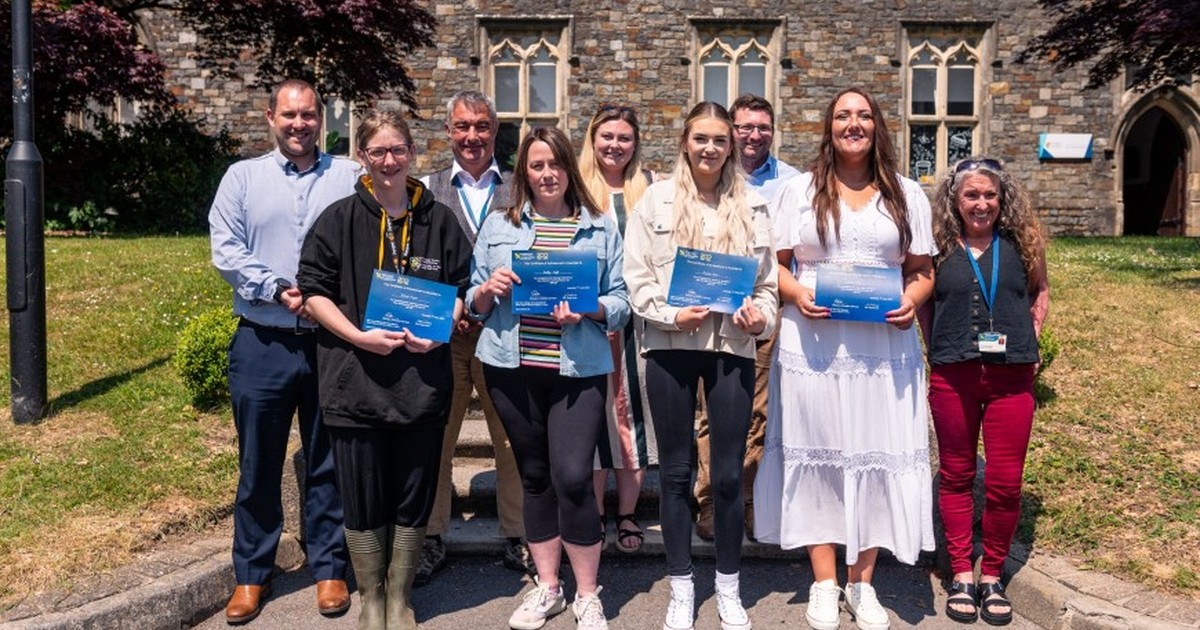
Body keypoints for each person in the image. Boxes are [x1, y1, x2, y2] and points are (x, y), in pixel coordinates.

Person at [753, 87, 937, 630]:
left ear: (877, 126)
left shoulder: (906, 195)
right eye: (842, 116)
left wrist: (911, 300)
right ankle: (825, 581)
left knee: (876, 452)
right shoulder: (798, 190)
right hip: (813, 348)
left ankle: (862, 583)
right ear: (828, 128)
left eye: (862, 115)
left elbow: (923, 270)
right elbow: (776, 263)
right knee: (819, 453)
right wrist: (794, 294)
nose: (852, 124)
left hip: (883, 351)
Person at [296, 110, 471, 630]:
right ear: (362, 158)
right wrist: (356, 337)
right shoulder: (337, 219)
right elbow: (312, 293)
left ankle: (400, 598)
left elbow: (461, 289)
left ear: (413, 153)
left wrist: (440, 329)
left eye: (397, 150)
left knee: (413, 496)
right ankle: (372, 598)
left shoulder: (439, 220)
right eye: (378, 152)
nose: (389, 161)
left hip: (422, 385)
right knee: (364, 497)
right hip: (355, 384)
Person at [467, 126, 630, 630]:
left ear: (569, 168)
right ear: (524, 172)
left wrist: (591, 309)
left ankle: (587, 593)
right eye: (536, 166)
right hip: (511, 368)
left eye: (555, 164)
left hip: (576, 369)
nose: (546, 174)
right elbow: (473, 302)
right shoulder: (498, 224)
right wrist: (488, 289)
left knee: (575, 478)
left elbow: (622, 303)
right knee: (535, 477)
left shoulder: (599, 226)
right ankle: (548, 588)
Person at [624, 101, 778, 630]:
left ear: (731, 144)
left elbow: (768, 286)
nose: (710, 148)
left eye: (719, 139)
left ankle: (729, 588)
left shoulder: (754, 205)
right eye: (701, 138)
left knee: (730, 475)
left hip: (732, 347)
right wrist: (670, 311)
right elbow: (637, 275)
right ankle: (681, 586)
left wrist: (760, 315)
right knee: (674, 472)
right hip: (669, 345)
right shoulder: (655, 200)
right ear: (684, 142)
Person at [208, 78, 355, 625]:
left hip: (330, 343)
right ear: (271, 117)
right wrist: (276, 287)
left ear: (323, 118)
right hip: (262, 341)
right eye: (289, 115)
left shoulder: (348, 176)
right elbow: (225, 249)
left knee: (327, 462)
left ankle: (329, 568)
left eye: (310, 115)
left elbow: (368, 241)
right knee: (258, 464)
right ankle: (251, 575)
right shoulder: (241, 178)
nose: (300, 124)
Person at [917, 157, 1049, 626]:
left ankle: (991, 572)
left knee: (1005, 483)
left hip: (1011, 378)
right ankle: (960, 574)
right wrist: (935, 346)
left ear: (1002, 199)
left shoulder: (1022, 243)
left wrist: (1030, 337)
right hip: (953, 375)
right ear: (956, 200)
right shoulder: (938, 247)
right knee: (954, 475)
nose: (981, 203)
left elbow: (1039, 293)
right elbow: (924, 303)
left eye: (990, 195)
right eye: (972, 194)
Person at [418, 90, 531, 585]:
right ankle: (431, 536)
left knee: (511, 435)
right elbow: (416, 261)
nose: (472, 136)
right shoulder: (426, 188)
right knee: (436, 433)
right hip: (445, 334)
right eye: (462, 126)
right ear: (448, 132)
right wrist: (452, 309)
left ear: (495, 130)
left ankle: (520, 535)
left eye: (482, 126)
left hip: (504, 330)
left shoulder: (519, 187)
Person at [693, 93, 800, 541]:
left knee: (757, 410)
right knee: (707, 413)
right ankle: (708, 503)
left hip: (758, 310)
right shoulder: (709, 173)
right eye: (745, 127)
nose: (754, 135)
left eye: (763, 127)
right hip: (711, 309)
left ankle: (748, 500)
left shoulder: (794, 183)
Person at [578, 103, 656, 553]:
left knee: (630, 417)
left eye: (624, 138)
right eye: (607, 136)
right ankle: (593, 513)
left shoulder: (649, 190)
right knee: (590, 419)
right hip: (585, 320)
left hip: (636, 325)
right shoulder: (578, 189)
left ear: (635, 144)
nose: (615, 145)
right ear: (593, 139)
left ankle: (626, 513)